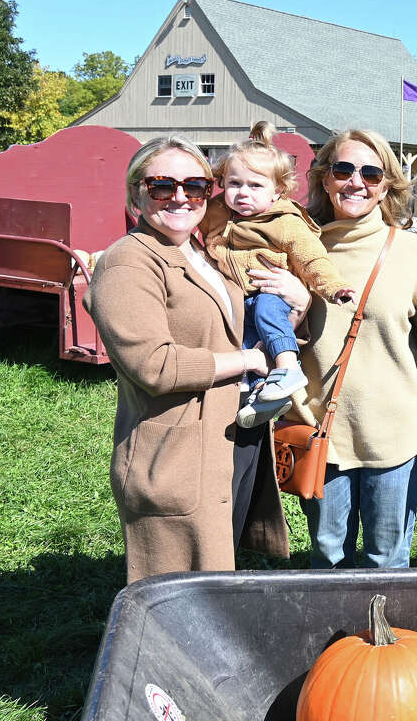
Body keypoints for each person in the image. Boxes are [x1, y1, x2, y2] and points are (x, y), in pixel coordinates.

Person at [84, 136, 289, 584]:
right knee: (178, 595)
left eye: (195, 185)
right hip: (177, 452)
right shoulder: (129, 262)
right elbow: (154, 365)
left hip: (230, 435)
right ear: (136, 192)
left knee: (216, 576)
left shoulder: (201, 251)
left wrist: (297, 297)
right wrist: (248, 360)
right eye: (162, 186)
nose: (180, 197)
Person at [277, 128, 417, 569]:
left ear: (386, 184)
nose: (356, 182)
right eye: (344, 169)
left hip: (394, 432)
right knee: (328, 554)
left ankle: (385, 638)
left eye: (371, 173)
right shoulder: (295, 247)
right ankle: (336, 637)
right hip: (320, 427)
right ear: (325, 178)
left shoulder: (410, 251)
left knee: (387, 558)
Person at [198, 121, 355, 428]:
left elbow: (312, 258)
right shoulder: (216, 211)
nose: (243, 193)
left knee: (268, 311)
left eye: (256, 186)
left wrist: (333, 287)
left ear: (277, 191)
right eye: (234, 184)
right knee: (242, 336)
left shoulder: (284, 220)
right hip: (238, 295)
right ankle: (262, 393)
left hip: (272, 291)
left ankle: (288, 367)